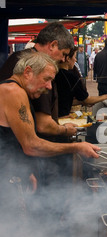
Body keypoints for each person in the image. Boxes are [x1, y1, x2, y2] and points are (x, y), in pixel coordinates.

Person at [0, 50, 100, 200]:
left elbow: (14, 141)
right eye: (46, 79)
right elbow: (31, 145)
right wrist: (76, 147)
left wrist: (26, 171)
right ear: (28, 72)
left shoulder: (15, 91)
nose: (49, 87)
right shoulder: (13, 91)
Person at [56, 46, 107, 117]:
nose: (76, 60)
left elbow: (64, 100)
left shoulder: (57, 73)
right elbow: (86, 99)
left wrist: (82, 102)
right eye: (74, 57)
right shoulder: (71, 76)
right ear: (68, 59)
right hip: (62, 115)